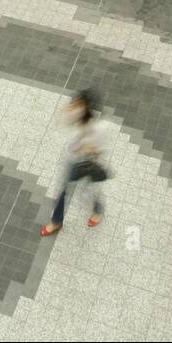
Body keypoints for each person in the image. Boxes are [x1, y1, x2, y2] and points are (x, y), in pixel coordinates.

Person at [40, 90, 111, 237]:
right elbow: (59, 123)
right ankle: (57, 221)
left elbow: (101, 150)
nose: (75, 107)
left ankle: (98, 210)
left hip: (88, 163)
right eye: (75, 104)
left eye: (79, 105)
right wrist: (65, 110)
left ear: (87, 107)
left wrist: (89, 149)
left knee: (90, 190)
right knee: (63, 191)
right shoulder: (77, 115)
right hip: (72, 160)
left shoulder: (99, 127)